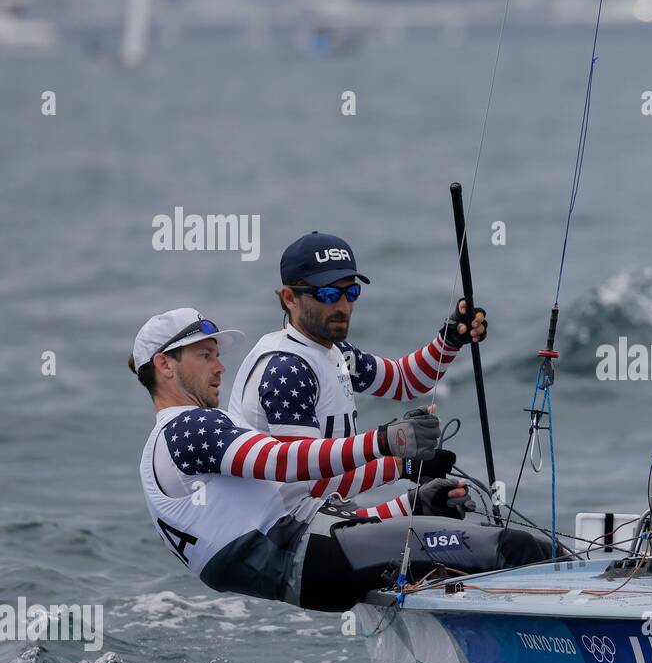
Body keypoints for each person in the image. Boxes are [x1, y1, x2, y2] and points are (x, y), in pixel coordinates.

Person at [132, 308, 548, 612]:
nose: (220, 365)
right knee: (513, 547)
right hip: (311, 560)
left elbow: (303, 501)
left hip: (312, 562)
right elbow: (285, 463)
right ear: (164, 365)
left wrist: (410, 501)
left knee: (460, 550)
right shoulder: (186, 431)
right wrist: (385, 442)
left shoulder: (188, 439)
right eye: (205, 355)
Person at [227, 231, 487, 516]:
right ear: (290, 298)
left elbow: (403, 381)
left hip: (321, 515)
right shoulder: (287, 371)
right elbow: (308, 480)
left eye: (351, 292)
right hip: (279, 533)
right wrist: (400, 466)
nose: (342, 306)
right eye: (327, 294)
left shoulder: (335, 351)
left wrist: (449, 340)